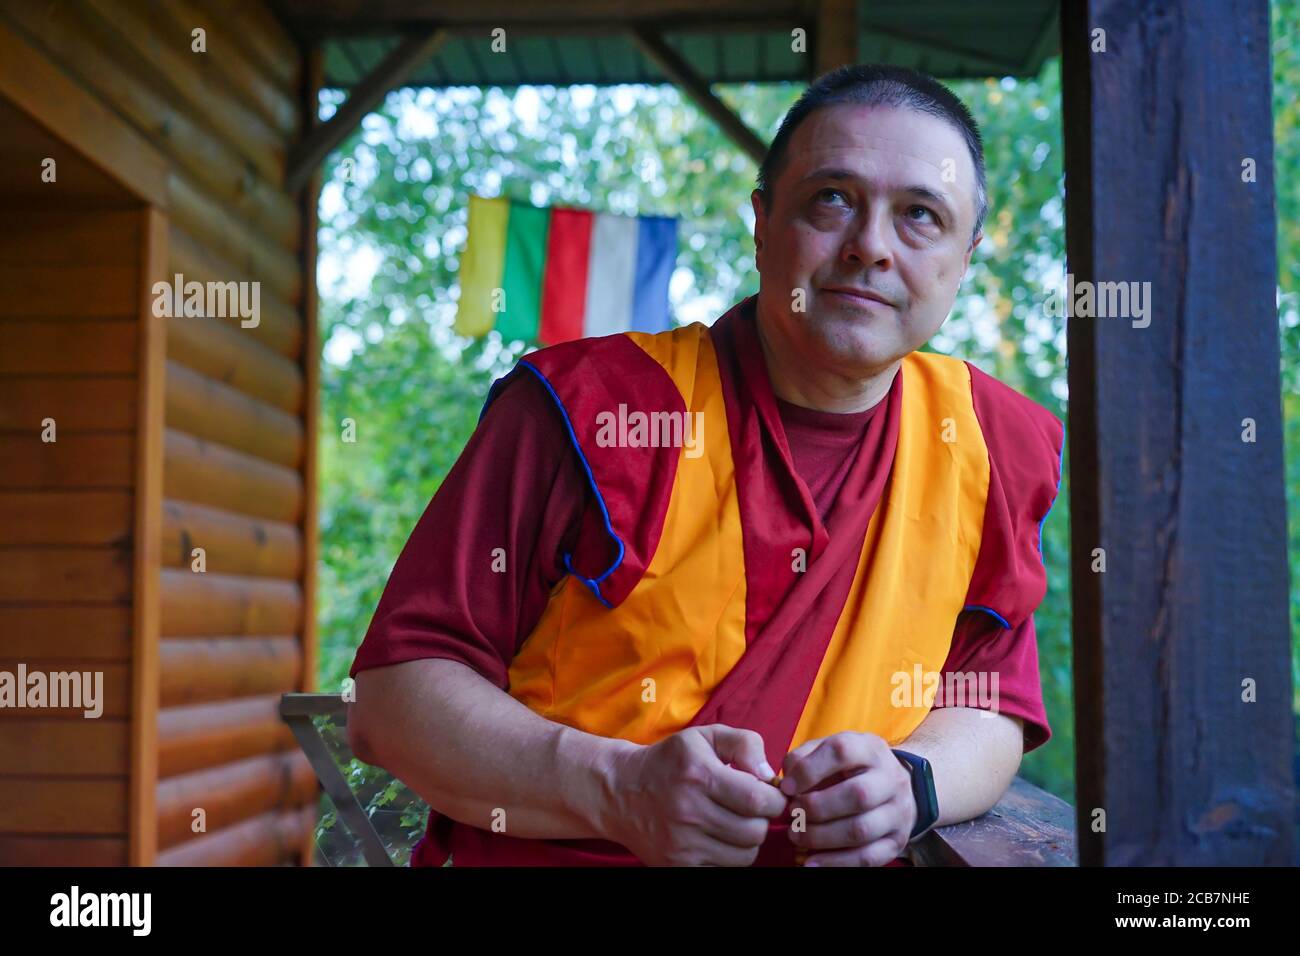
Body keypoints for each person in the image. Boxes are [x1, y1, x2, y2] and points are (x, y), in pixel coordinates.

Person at [347, 63, 1064, 867]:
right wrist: (616, 787)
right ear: (762, 222)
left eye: (920, 216)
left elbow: (990, 700)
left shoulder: (983, 441)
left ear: (964, 260)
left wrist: (911, 784)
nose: (870, 247)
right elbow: (391, 698)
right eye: (832, 198)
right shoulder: (589, 408)